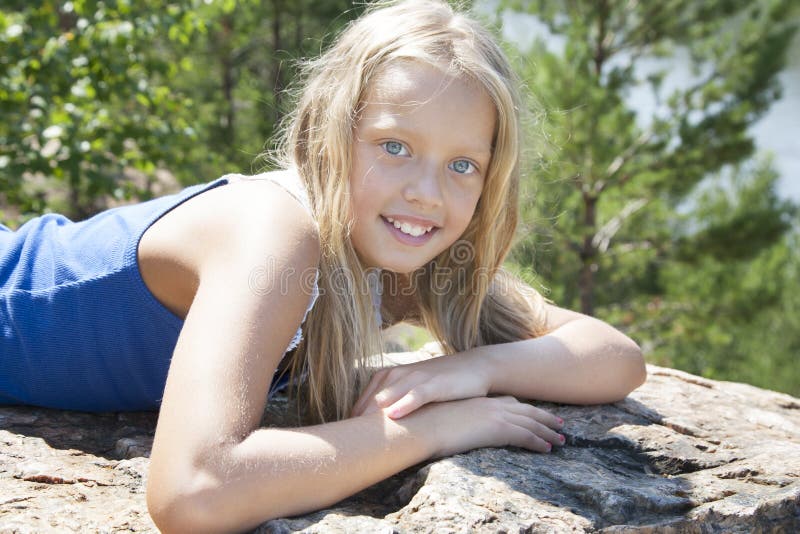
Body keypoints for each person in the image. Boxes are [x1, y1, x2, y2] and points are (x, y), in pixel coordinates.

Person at [0, 0, 646, 531]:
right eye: (395, 146)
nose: (427, 192)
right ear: (328, 136)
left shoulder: (413, 265)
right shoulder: (274, 233)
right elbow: (194, 492)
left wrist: (471, 368)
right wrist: (433, 429)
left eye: (461, 165)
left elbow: (615, 356)